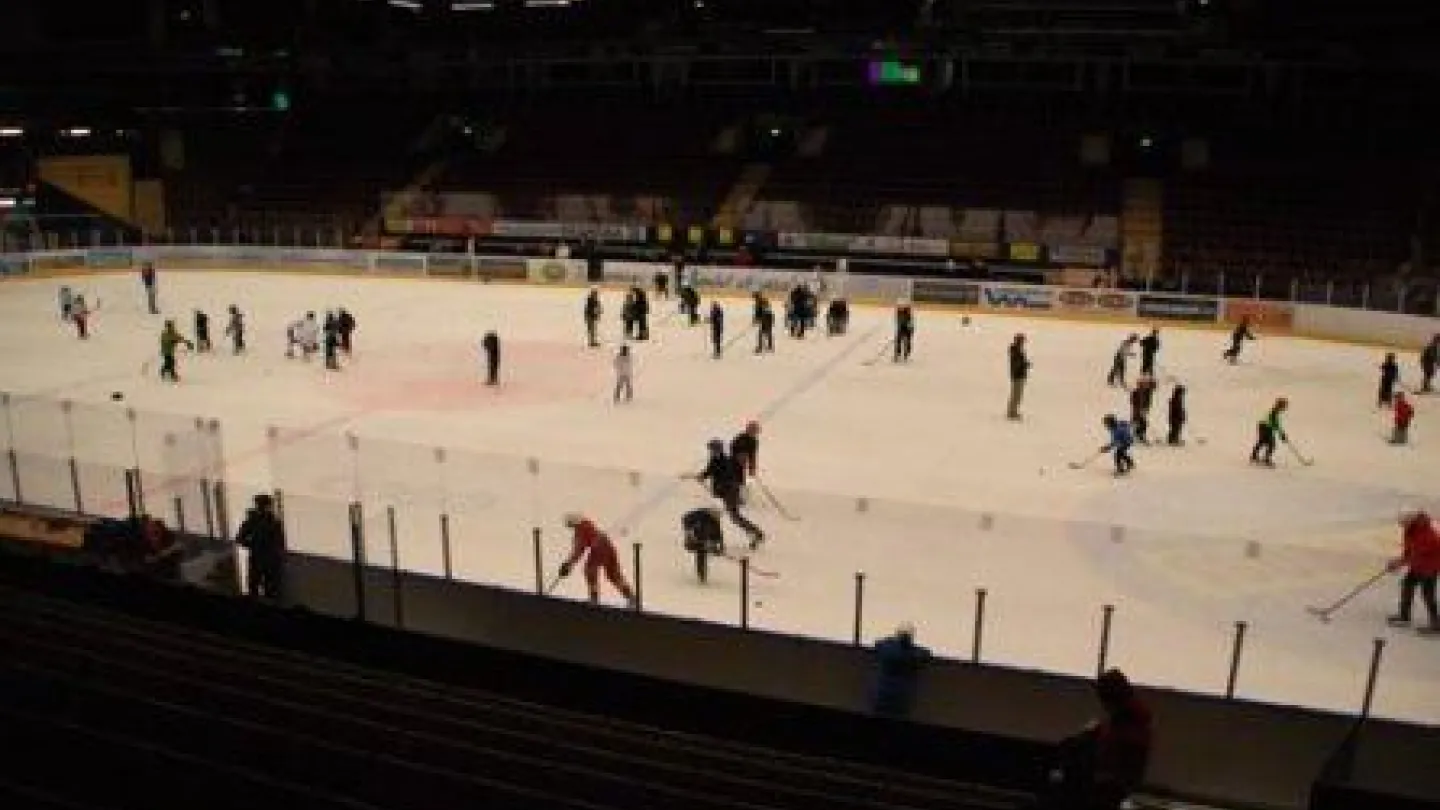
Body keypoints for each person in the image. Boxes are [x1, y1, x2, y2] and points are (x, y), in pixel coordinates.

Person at [1044, 669, 1153, 810]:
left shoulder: (1128, 726)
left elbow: (1116, 763)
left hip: (1106, 788)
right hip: (1108, 785)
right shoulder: (1129, 719)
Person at [688, 439, 764, 549]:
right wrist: (702, 476)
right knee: (732, 516)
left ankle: (756, 533)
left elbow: (720, 474)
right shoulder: (719, 460)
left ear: (718, 450)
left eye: (713, 450)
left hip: (729, 492)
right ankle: (754, 533)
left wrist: (704, 478)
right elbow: (709, 471)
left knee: (733, 516)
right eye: (711, 450)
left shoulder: (722, 461)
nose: (711, 452)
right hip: (727, 492)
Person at [558, 513, 636, 606]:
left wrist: (568, 564)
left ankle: (594, 598)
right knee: (614, 575)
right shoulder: (588, 525)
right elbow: (580, 549)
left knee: (589, 569)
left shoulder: (581, 530)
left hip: (598, 548)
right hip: (608, 547)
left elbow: (578, 550)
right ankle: (631, 597)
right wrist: (569, 564)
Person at [1387, 510, 1440, 633]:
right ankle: (1404, 616)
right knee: (1407, 585)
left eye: (1403, 523)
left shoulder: (1427, 534)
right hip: (1417, 565)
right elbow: (1409, 551)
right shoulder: (1409, 531)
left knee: (1428, 594)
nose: (1402, 526)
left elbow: (1417, 554)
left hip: (1430, 566)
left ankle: (1436, 624)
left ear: (1411, 521)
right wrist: (1398, 561)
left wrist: (1398, 563)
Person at [871, 623, 931, 718]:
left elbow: (878, 644)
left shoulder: (886, 649)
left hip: (882, 695)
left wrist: (892, 641)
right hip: (901, 699)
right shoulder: (913, 655)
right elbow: (926, 654)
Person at [236, 493, 287, 601]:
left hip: (266, 559)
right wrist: (253, 544)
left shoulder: (270, 522)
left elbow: (280, 543)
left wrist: (252, 544)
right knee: (261, 588)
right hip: (262, 559)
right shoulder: (258, 521)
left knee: (264, 588)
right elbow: (240, 538)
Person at [681, 506, 725, 583]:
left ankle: (702, 574)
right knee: (701, 553)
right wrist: (689, 532)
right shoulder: (699, 515)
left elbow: (718, 535)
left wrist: (719, 546)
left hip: (703, 538)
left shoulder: (715, 523)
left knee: (702, 553)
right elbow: (686, 520)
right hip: (697, 537)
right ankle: (701, 574)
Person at [1250, 397, 1289, 466]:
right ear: (1281, 406)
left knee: (1262, 441)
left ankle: (1254, 456)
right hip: (1265, 427)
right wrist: (1282, 434)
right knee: (1271, 443)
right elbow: (1274, 424)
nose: (1285, 409)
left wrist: (1282, 434)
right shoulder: (1274, 412)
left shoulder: (1275, 412)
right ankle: (1266, 459)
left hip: (1263, 426)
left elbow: (1276, 424)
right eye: (1284, 406)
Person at [1007, 333, 1030, 420]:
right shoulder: (1016, 350)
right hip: (1017, 375)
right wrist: (1024, 365)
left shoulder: (1017, 350)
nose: (1023, 343)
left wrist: (1025, 364)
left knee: (1017, 395)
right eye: (1022, 341)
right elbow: (1017, 363)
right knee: (1016, 395)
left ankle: (1013, 411)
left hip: (1018, 374)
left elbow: (1018, 362)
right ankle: (1012, 412)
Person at [1129, 374, 1156, 445]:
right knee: (1141, 423)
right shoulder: (1139, 392)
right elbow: (1135, 401)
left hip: (1141, 410)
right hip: (1138, 410)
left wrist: (1145, 408)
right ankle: (1138, 437)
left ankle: (1138, 436)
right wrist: (1141, 409)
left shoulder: (1147, 391)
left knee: (1142, 423)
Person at [893, 298, 915, 363]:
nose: (900, 307)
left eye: (901, 306)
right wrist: (899, 327)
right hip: (901, 327)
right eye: (899, 307)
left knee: (907, 341)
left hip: (907, 327)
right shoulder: (898, 313)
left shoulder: (908, 312)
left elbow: (910, 321)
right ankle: (898, 354)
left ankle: (906, 354)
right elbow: (898, 321)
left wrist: (910, 327)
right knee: (898, 340)